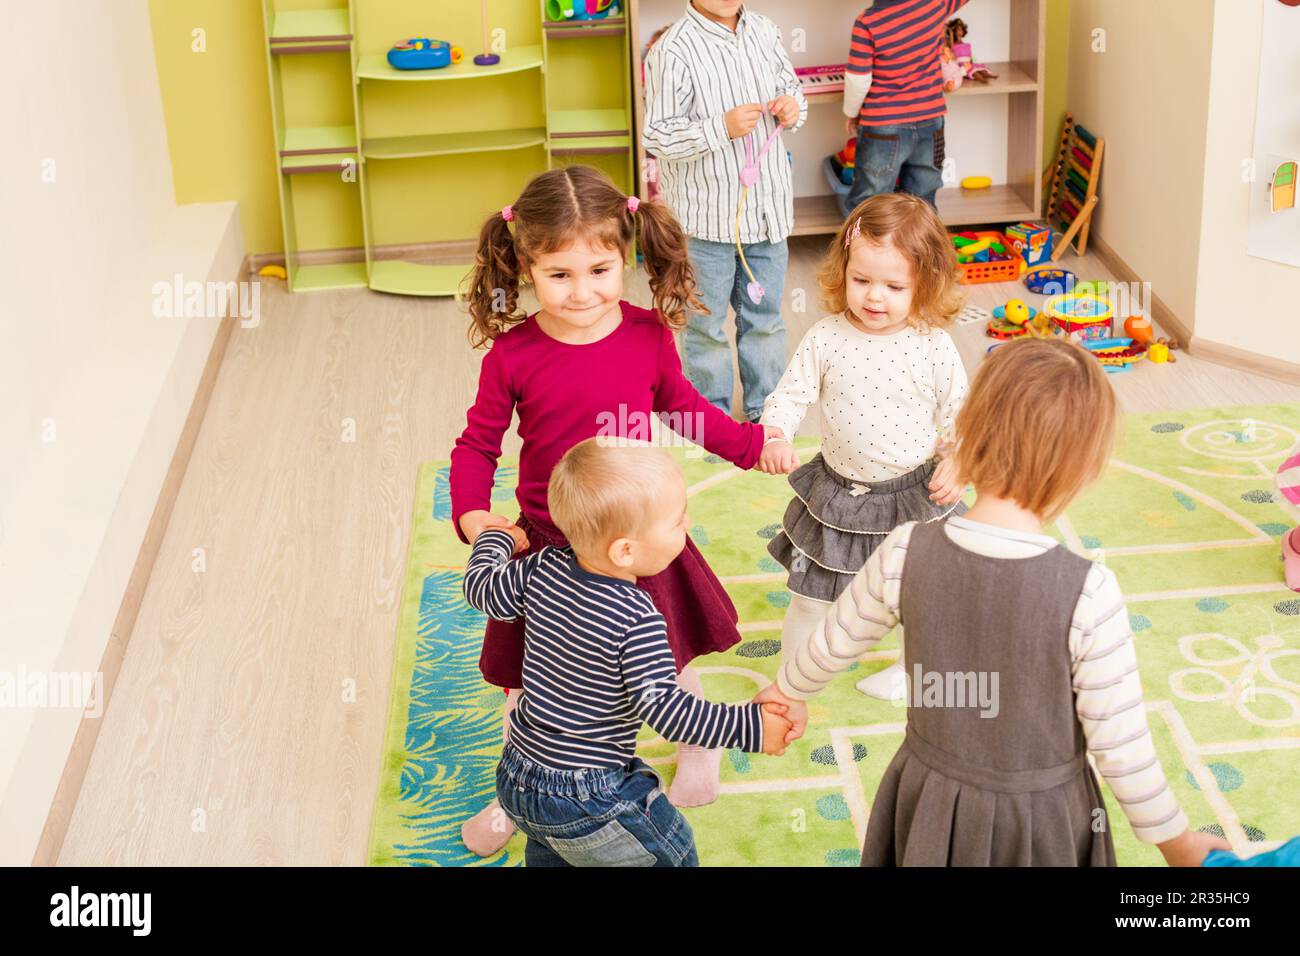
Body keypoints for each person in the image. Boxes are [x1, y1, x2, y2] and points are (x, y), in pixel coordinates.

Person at [757, 337, 1232, 866]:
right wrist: (1179, 844)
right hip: (1042, 823)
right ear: (1084, 470)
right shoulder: (1089, 592)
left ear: (967, 440)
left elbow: (833, 640)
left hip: (927, 799)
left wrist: (786, 691)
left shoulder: (905, 550)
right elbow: (1122, 747)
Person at [450, 165, 791, 856]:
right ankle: (522, 789)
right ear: (526, 268)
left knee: (668, 655)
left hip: (639, 540)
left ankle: (698, 749)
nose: (583, 293)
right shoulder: (513, 354)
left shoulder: (644, 336)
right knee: (525, 675)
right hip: (546, 544)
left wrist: (753, 446)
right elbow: (477, 444)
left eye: (601, 270)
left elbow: (687, 412)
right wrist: (472, 516)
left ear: (627, 256)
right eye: (559, 276)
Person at [462, 439, 793, 866]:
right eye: (677, 522)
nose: (687, 523)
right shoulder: (638, 618)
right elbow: (667, 710)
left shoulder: (540, 568)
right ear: (625, 551)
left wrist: (494, 540)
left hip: (516, 777)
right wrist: (750, 727)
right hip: (589, 795)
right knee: (673, 855)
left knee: (554, 855)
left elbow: (481, 588)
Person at [759, 193, 968, 701]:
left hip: (915, 496)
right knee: (809, 596)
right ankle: (793, 679)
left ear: (925, 284)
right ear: (843, 270)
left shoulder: (932, 344)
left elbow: (962, 413)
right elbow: (790, 395)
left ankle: (909, 671)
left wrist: (961, 460)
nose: (875, 296)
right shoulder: (826, 337)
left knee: (918, 597)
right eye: (862, 280)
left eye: (895, 286)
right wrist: (776, 432)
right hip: (836, 497)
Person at [643, 0, 808, 422]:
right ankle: (709, 419)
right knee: (706, 325)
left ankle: (766, 414)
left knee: (766, 320)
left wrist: (793, 106)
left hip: (766, 214)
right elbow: (658, 136)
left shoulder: (765, 31)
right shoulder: (673, 49)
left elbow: (793, 90)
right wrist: (721, 127)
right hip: (704, 222)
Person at [841, 0, 973, 213]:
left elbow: (858, 79)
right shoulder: (934, 4)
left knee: (870, 201)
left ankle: (865, 245)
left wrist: (852, 112)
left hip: (884, 125)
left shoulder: (867, 22)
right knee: (923, 198)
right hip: (931, 120)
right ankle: (919, 246)